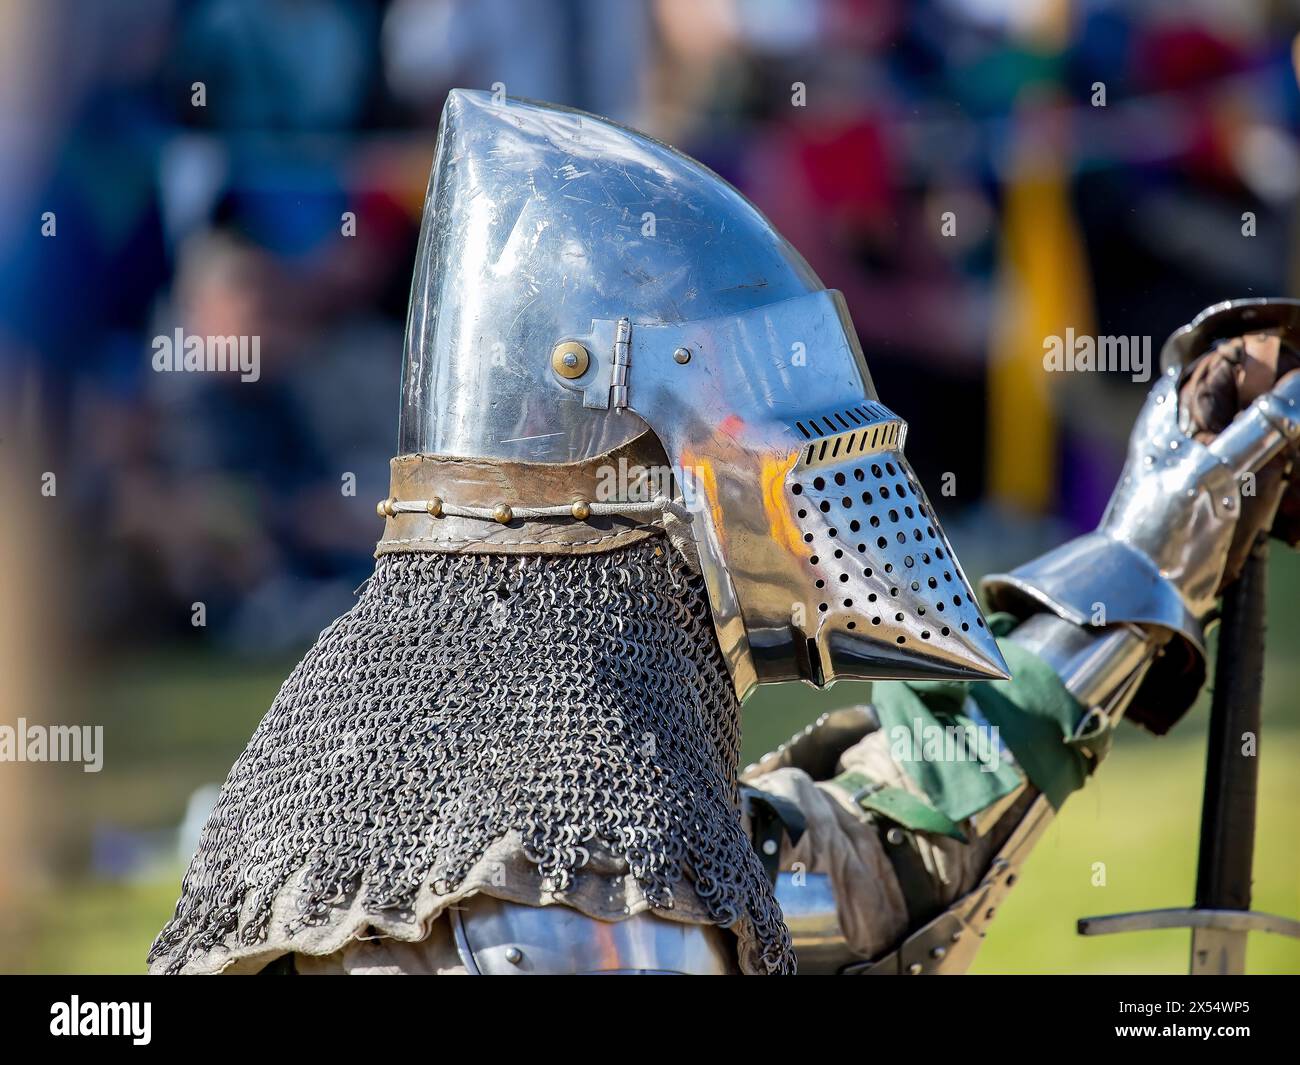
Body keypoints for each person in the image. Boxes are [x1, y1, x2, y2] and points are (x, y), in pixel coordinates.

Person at [148, 91, 1300, 975]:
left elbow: (856, 867)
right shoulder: (563, 912)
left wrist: (1150, 550)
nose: (824, 470)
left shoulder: (457, 749)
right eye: (772, 424)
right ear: (649, 460)